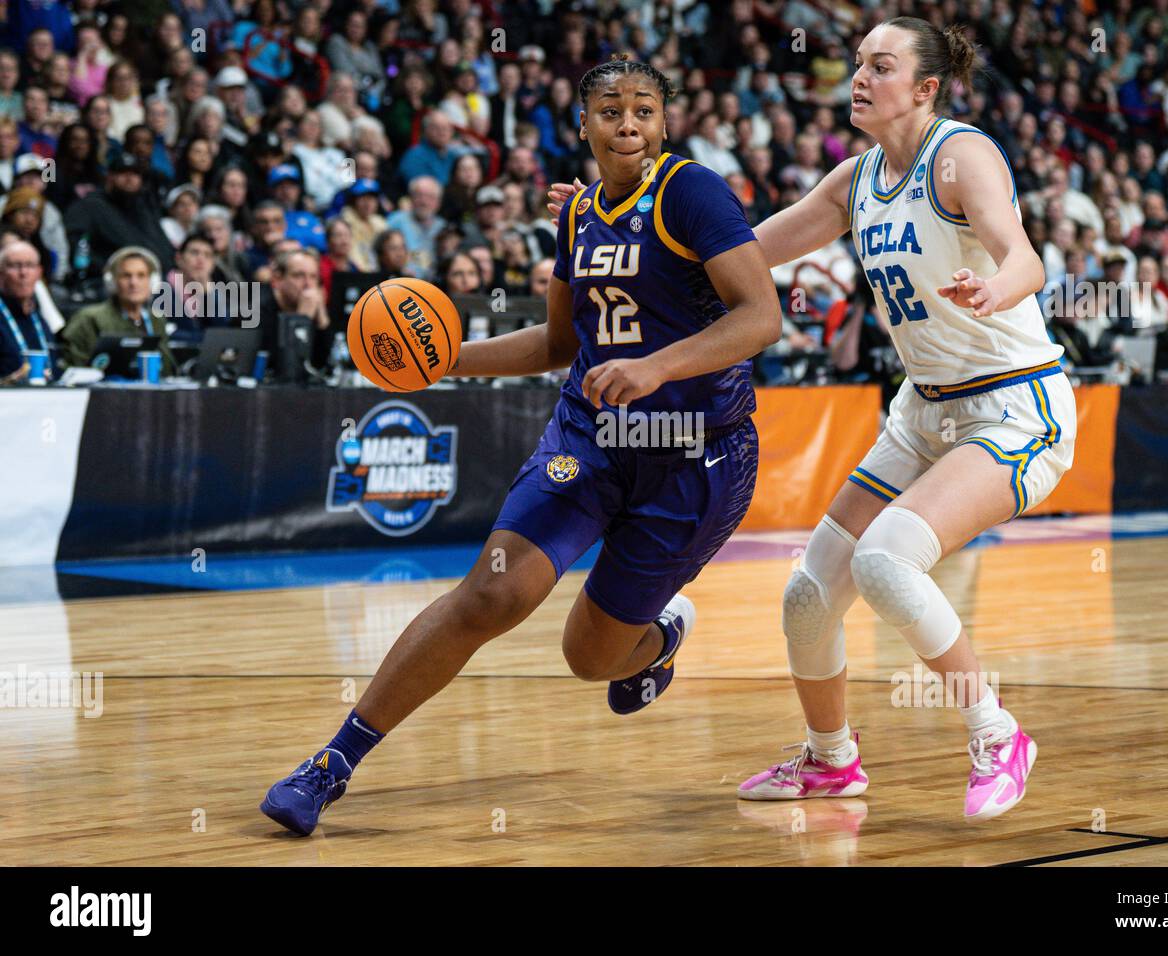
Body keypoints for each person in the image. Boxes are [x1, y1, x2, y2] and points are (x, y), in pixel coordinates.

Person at [554, 17, 1073, 822]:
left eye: (881, 66)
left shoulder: (961, 155)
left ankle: (996, 731)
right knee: (807, 595)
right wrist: (606, 216)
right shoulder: (856, 179)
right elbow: (741, 254)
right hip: (923, 411)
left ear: (926, 88)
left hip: (1013, 405)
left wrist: (997, 288)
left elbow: (1024, 255)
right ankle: (832, 761)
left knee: (889, 559)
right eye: (857, 63)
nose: (859, 78)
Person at [260, 55, 781, 836]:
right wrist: (442, 360)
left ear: (666, 121)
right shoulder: (575, 215)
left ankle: (661, 633)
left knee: (590, 658)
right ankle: (331, 763)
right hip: (591, 440)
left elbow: (761, 317)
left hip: (695, 454)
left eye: (644, 109)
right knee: (491, 594)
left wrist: (655, 366)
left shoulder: (694, 192)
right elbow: (561, 343)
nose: (628, 123)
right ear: (584, 124)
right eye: (610, 111)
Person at [61, 246, 177, 375]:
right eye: (126, 276)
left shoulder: (157, 320)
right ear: (112, 281)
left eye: (141, 275)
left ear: (152, 282)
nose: (134, 283)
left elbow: (167, 371)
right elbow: (74, 370)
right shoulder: (89, 318)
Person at [0, 240, 60, 383]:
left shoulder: (39, 316)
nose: (23, 273)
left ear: (39, 273)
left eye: (30, 265)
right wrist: (7, 383)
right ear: (1, 273)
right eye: (15, 266)